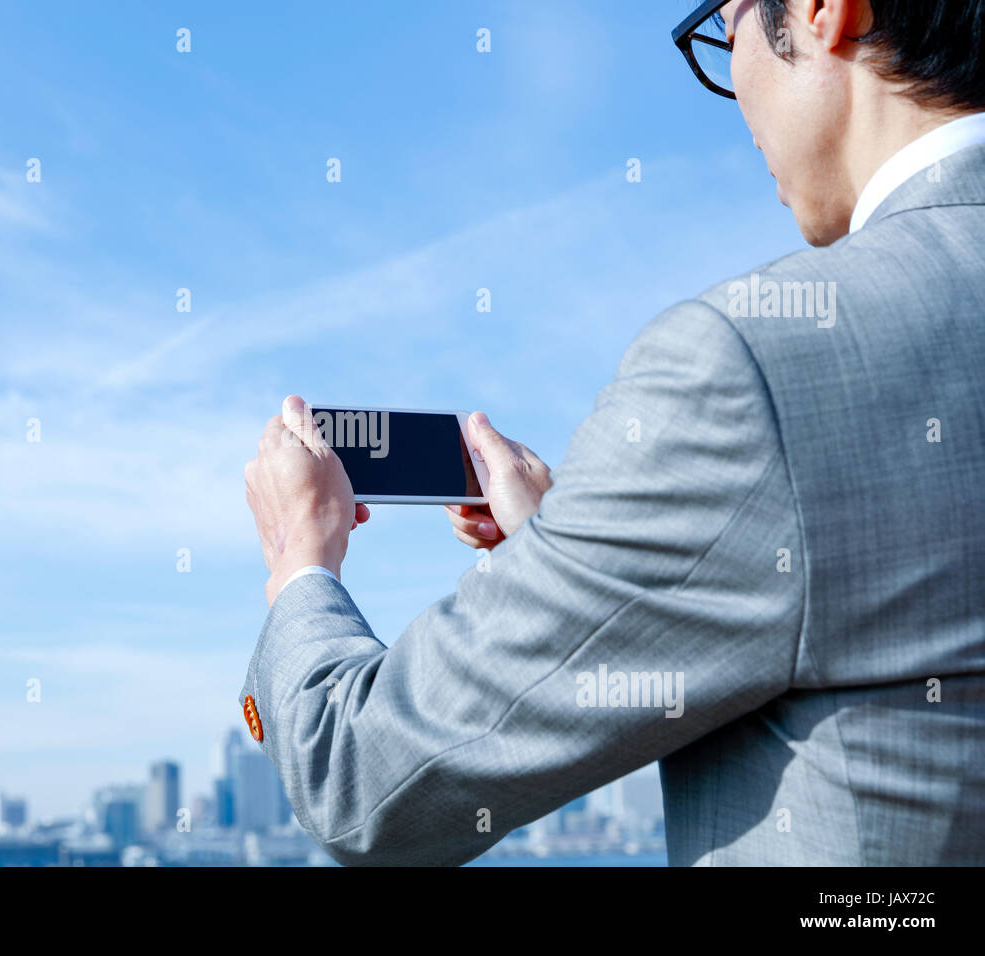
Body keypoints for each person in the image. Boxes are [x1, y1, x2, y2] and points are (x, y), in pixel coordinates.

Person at [241, 0, 985, 865]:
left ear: (822, 9)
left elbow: (357, 781)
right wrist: (571, 556)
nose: (733, 88)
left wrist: (300, 560)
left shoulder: (745, 366)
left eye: (725, 29)